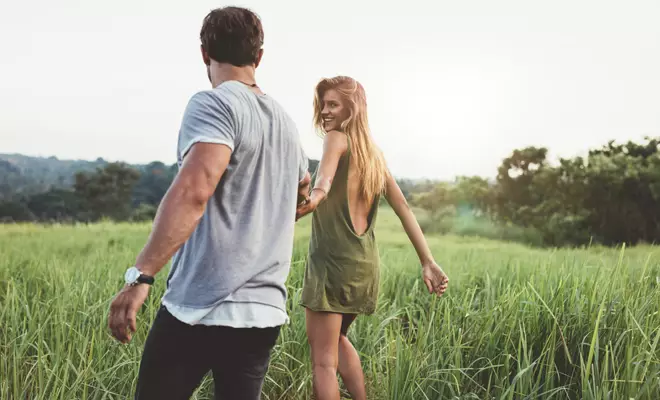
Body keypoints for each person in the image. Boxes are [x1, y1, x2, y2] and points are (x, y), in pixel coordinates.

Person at [107, 6, 310, 400]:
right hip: (263, 311)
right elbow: (301, 193)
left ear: (204, 53)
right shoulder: (287, 123)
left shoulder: (214, 103)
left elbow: (194, 190)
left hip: (202, 307)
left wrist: (142, 276)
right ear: (259, 56)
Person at [295, 76, 449, 400]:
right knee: (336, 341)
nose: (325, 111)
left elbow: (322, 181)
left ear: (351, 109)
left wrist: (312, 200)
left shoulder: (335, 139)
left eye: (333, 104)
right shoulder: (374, 155)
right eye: (323, 104)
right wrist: (428, 261)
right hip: (364, 266)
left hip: (332, 264)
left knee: (323, 363)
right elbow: (404, 206)